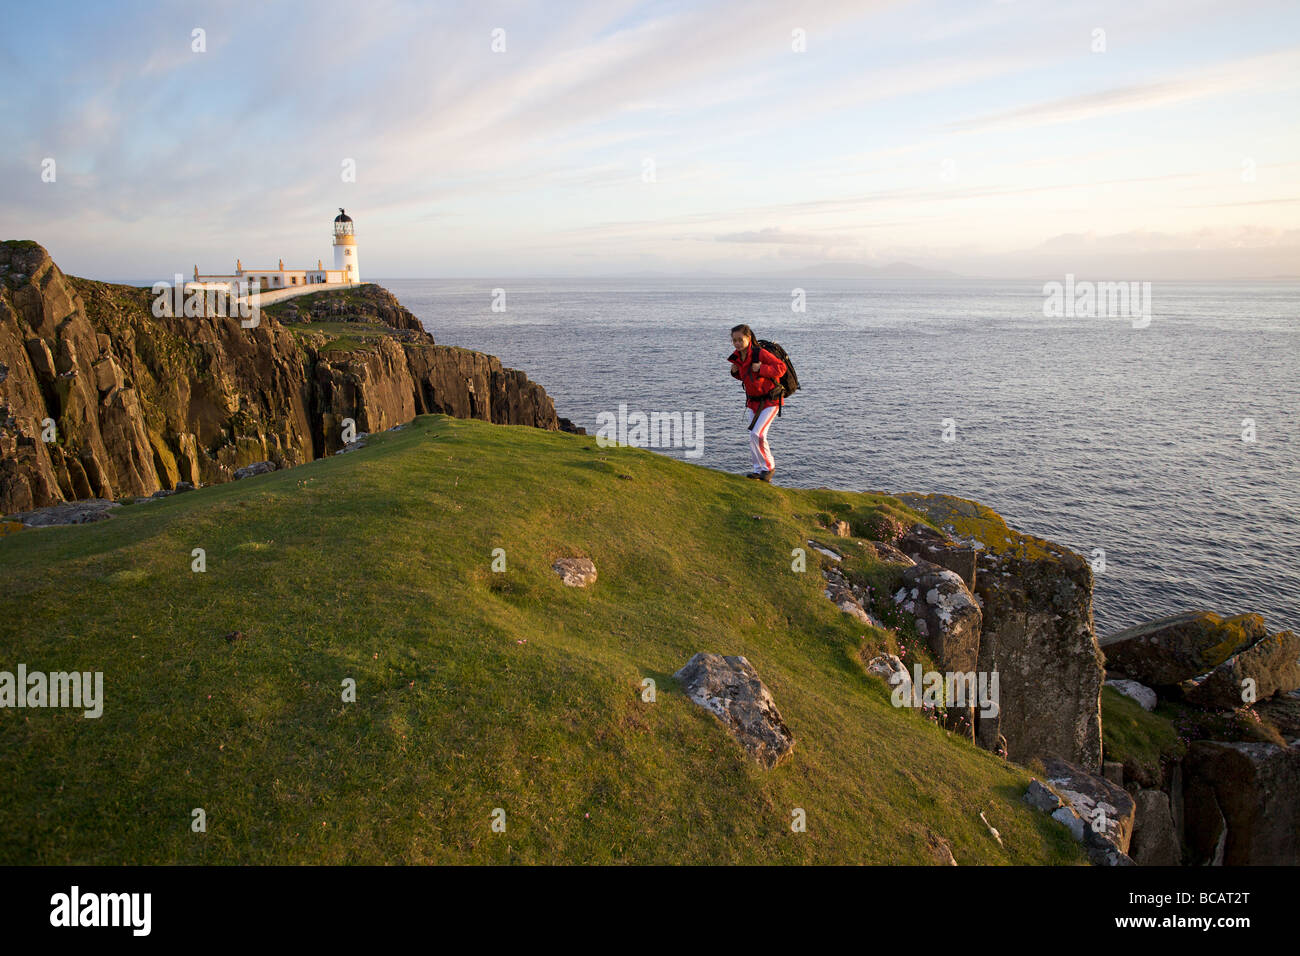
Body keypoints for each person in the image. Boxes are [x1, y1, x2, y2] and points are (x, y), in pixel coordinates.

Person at [727, 324, 787, 482]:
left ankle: (768, 468)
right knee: (752, 436)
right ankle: (758, 469)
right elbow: (747, 378)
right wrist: (735, 372)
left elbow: (781, 368)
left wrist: (762, 368)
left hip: (771, 400)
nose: (737, 343)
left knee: (757, 434)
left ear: (749, 338)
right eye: (734, 340)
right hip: (754, 402)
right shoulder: (739, 357)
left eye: (740, 339)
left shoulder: (760, 353)